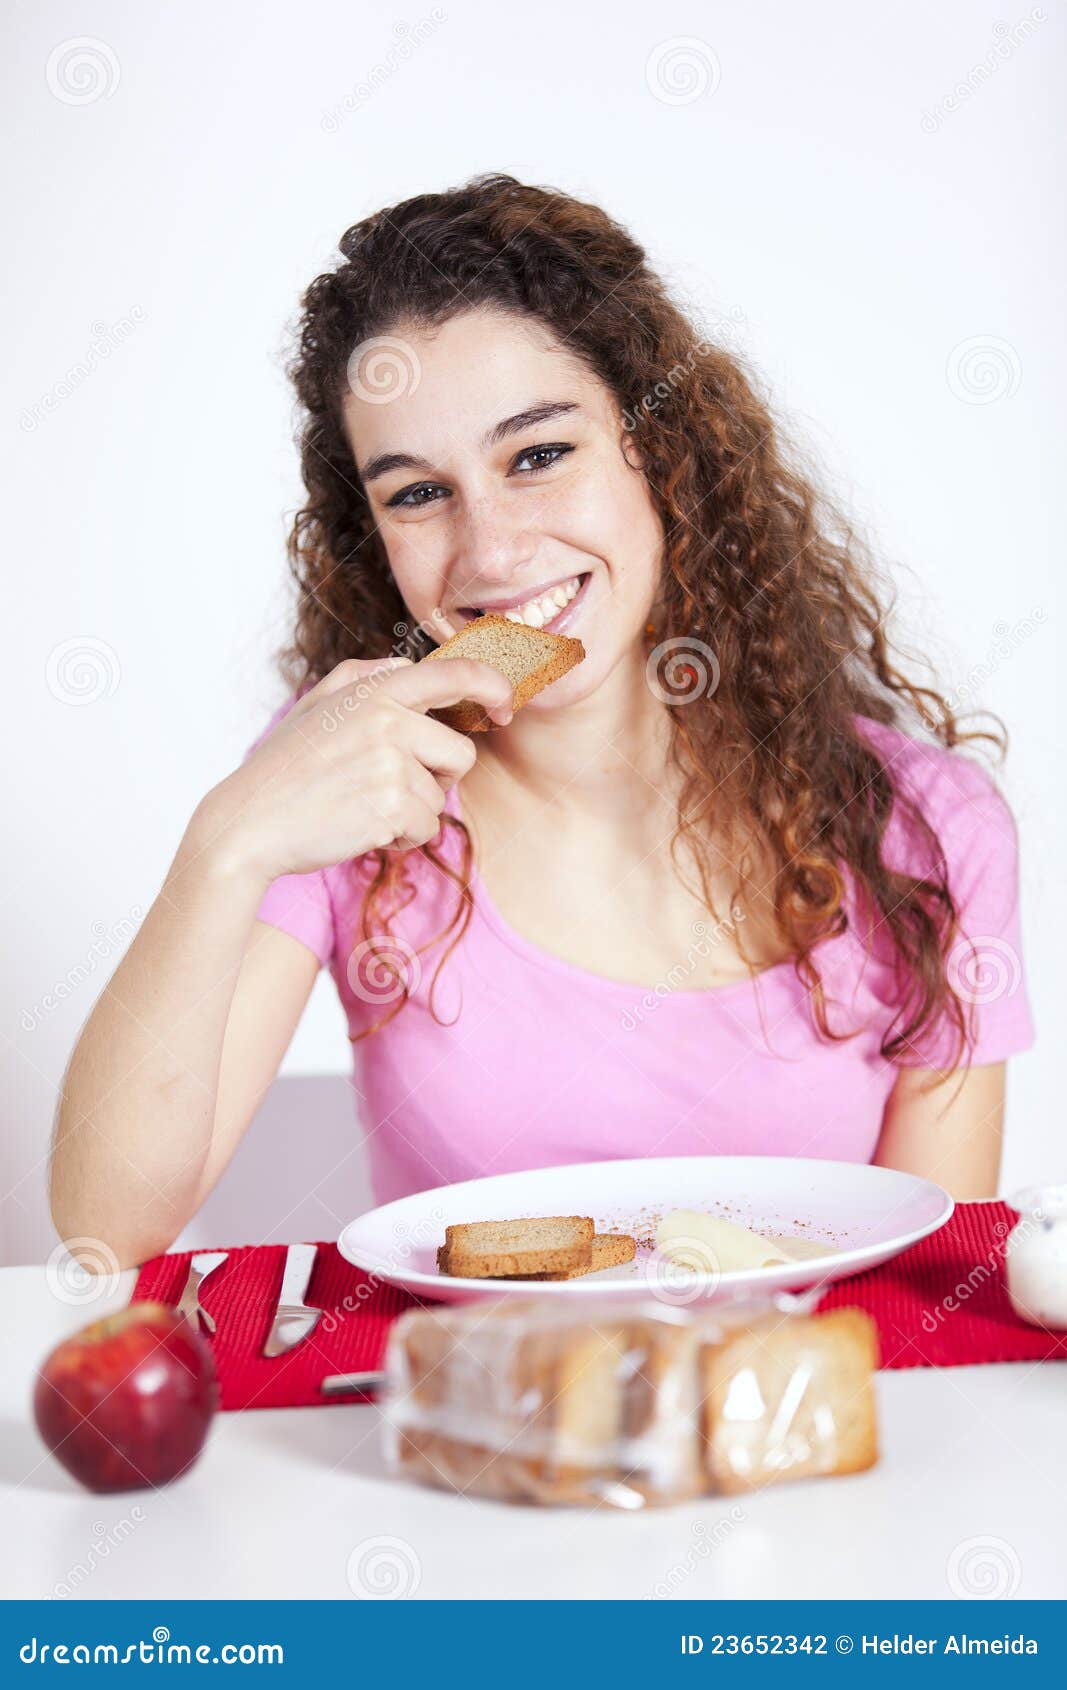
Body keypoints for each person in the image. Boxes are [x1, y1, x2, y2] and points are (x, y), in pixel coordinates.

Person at [50, 175, 1034, 1267]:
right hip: (472, 1420)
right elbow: (103, 1225)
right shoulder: (349, 778)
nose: (492, 552)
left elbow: (923, 1294)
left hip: (782, 1425)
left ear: (659, 453)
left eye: (536, 454)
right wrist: (225, 844)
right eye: (417, 493)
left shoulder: (927, 832)